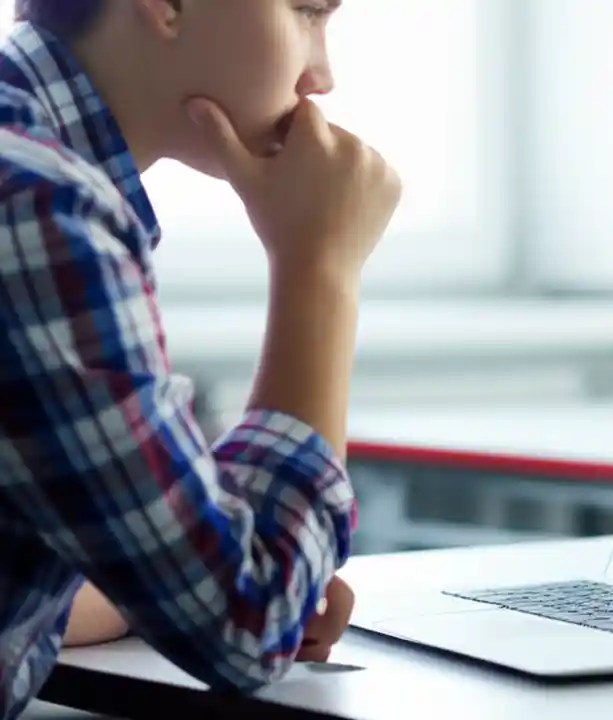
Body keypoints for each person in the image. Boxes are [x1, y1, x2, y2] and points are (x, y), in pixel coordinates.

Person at [0, 0, 402, 714]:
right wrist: (320, 264)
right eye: (307, 12)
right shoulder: (37, 207)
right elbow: (247, 624)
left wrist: (150, 589)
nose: (321, 76)